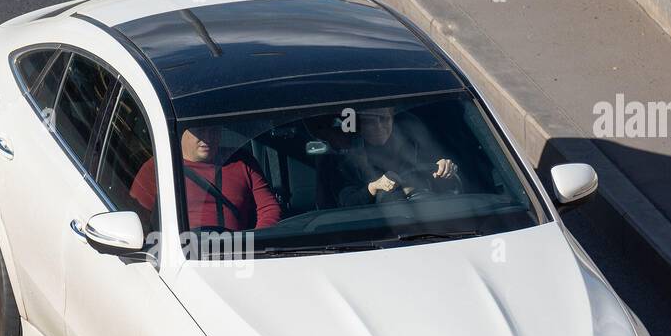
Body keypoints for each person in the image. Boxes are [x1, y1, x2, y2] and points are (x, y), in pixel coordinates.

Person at [130, 125, 282, 231]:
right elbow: (136, 221)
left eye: (213, 130)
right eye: (200, 131)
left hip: (240, 256)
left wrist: (254, 245)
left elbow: (269, 209)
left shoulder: (242, 162)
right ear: (182, 132)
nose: (208, 137)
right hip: (182, 259)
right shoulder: (158, 168)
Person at [314, 108, 459, 208]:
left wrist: (444, 169)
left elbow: (448, 187)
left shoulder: (413, 142)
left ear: (392, 117)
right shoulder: (345, 159)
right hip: (374, 228)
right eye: (369, 121)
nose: (378, 127)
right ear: (358, 125)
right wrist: (373, 187)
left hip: (428, 217)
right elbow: (346, 204)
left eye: (384, 119)